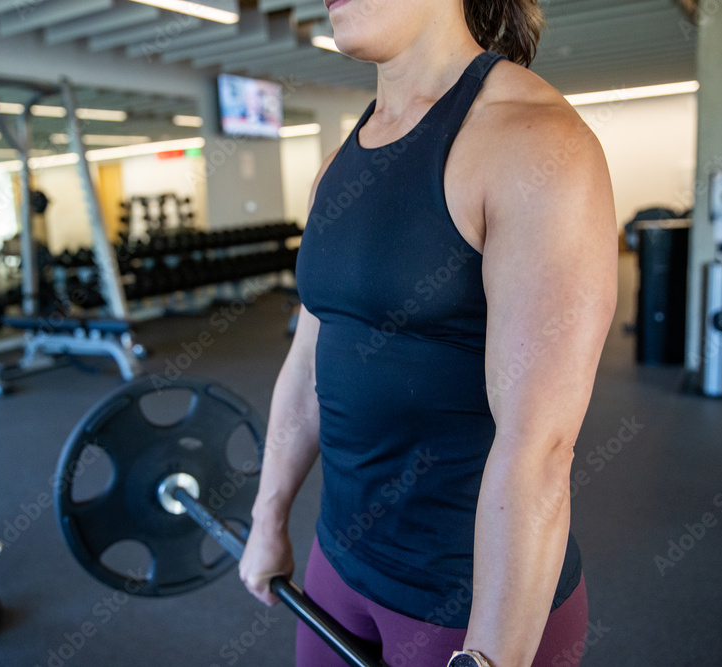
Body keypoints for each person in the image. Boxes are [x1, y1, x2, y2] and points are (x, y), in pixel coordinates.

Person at [239, 0, 618, 665]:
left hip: (469, 604)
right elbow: (308, 365)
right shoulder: (336, 169)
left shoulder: (536, 143)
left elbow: (540, 445)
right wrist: (268, 519)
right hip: (339, 566)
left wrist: (490, 655)